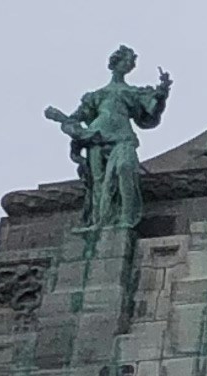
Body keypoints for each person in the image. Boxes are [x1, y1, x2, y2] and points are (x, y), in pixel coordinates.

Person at [46, 45, 169, 235]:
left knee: (125, 168)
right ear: (116, 63)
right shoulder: (96, 95)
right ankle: (101, 221)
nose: (130, 65)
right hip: (97, 139)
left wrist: (161, 96)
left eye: (132, 62)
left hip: (122, 139)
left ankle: (127, 217)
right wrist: (78, 132)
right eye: (127, 60)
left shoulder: (133, 92)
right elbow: (73, 120)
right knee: (99, 182)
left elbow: (149, 115)